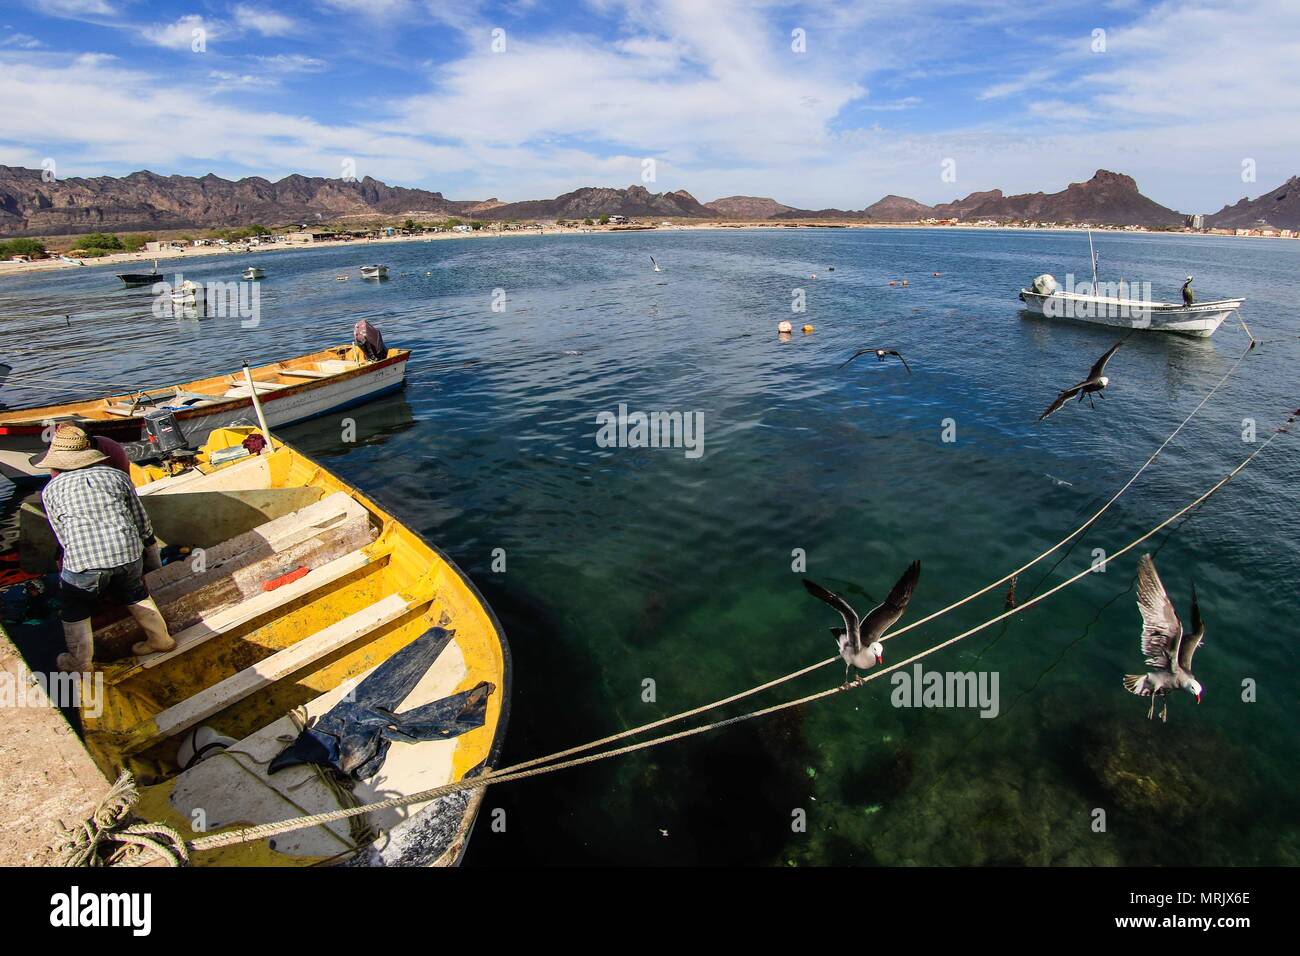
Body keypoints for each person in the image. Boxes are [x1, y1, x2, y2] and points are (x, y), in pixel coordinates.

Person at [32, 424, 175, 672]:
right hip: (128, 553)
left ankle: (80, 663)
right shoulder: (117, 476)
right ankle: (161, 640)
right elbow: (141, 521)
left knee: (74, 608)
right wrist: (150, 552)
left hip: (84, 563)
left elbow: (62, 535)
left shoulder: (51, 489)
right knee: (136, 593)